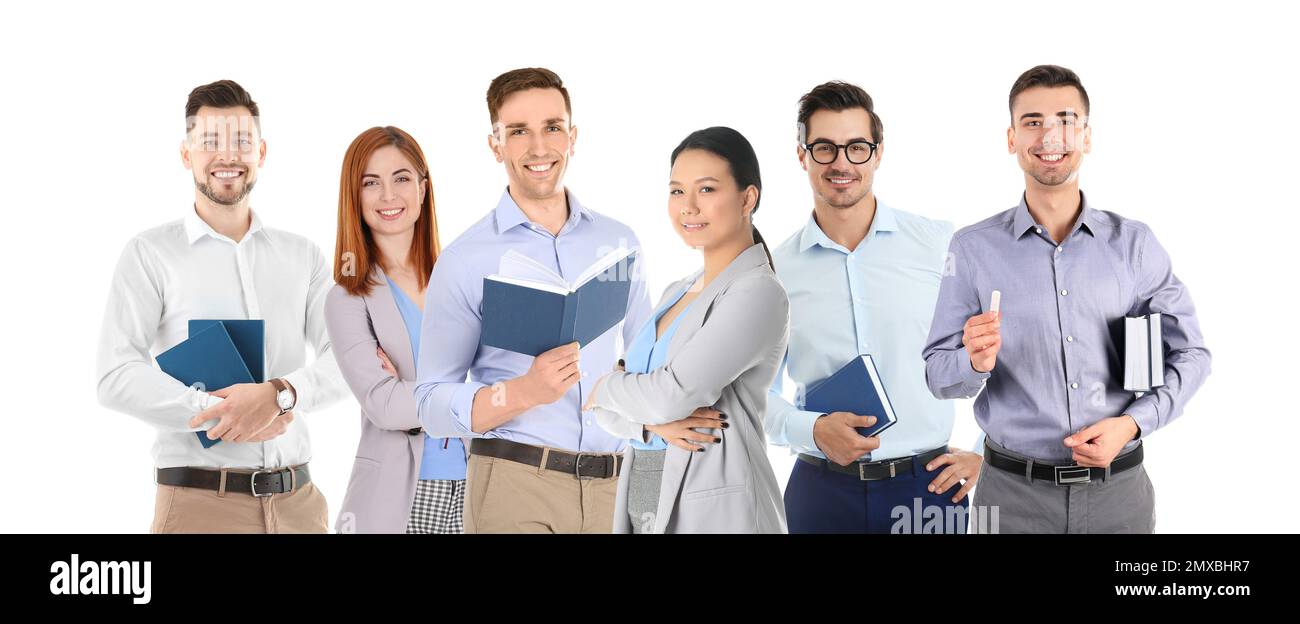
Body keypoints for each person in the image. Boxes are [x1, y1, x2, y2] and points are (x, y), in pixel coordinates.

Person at [923, 65, 1211, 533]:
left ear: (1087, 136)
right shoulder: (971, 250)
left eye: (1066, 119)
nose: (1050, 134)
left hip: (1119, 496)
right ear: (1012, 138)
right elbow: (938, 375)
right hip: (1011, 499)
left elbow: (1192, 354)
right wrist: (973, 363)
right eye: (1033, 121)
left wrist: (1133, 424)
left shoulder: (1134, 247)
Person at [96, 79, 346, 533]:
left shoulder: (302, 255)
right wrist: (218, 410)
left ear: (262, 153)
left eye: (242, 142)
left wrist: (278, 394)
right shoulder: (150, 253)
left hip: (300, 506)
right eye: (210, 142)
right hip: (199, 508)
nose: (227, 157)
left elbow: (347, 359)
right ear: (186, 154)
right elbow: (115, 375)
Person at [414, 68, 652, 533]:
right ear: (495, 144)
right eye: (518, 131)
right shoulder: (465, 260)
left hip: (617, 487)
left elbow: (649, 362)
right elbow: (430, 403)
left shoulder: (620, 243)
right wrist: (522, 393)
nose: (539, 148)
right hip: (514, 483)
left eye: (552, 128)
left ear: (573, 136)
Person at [766, 81, 980, 534]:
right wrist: (811, 428)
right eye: (824, 148)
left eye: (857, 147)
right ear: (802, 155)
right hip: (821, 491)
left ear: (878, 153)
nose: (841, 163)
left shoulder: (941, 244)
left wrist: (987, 451)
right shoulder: (772, 272)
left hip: (932, 491)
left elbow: (1005, 350)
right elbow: (748, 394)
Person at [584, 126, 789, 534]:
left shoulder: (757, 292)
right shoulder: (676, 290)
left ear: (748, 198)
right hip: (643, 501)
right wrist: (648, 425)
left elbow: (670, 396)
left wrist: (604, 387)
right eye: (677, 191)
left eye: (707, 190)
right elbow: (621, 414)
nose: (688, 206)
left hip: (715, 509)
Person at [326, 126, 469, 534]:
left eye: (402, 178)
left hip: (477, 486)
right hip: (399, 497)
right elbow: (386, 406)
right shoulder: (348, 297)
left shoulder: (462, 281)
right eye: (371, 183)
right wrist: (472, 401)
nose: (389, 196)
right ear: (354, 197)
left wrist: (420, 397)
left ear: (423, 189)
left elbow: (505, 385)